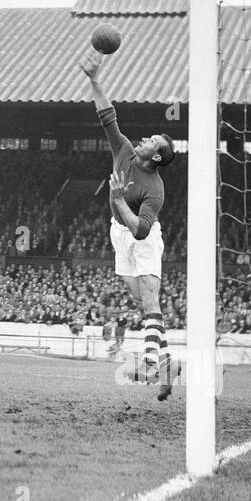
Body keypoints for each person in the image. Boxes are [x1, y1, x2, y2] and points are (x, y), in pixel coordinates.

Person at [78, 50, 176, 401]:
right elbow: (107, 114)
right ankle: (166, 363)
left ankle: (150, 363)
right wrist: (93, 78)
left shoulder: (155, 190)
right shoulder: (123, 150)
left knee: (151, 300)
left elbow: (142, 231)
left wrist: (119, 200)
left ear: (157, 157)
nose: (143, 140)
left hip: (142, 238)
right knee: (142, 303)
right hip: (118, 234)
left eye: (151, 142)